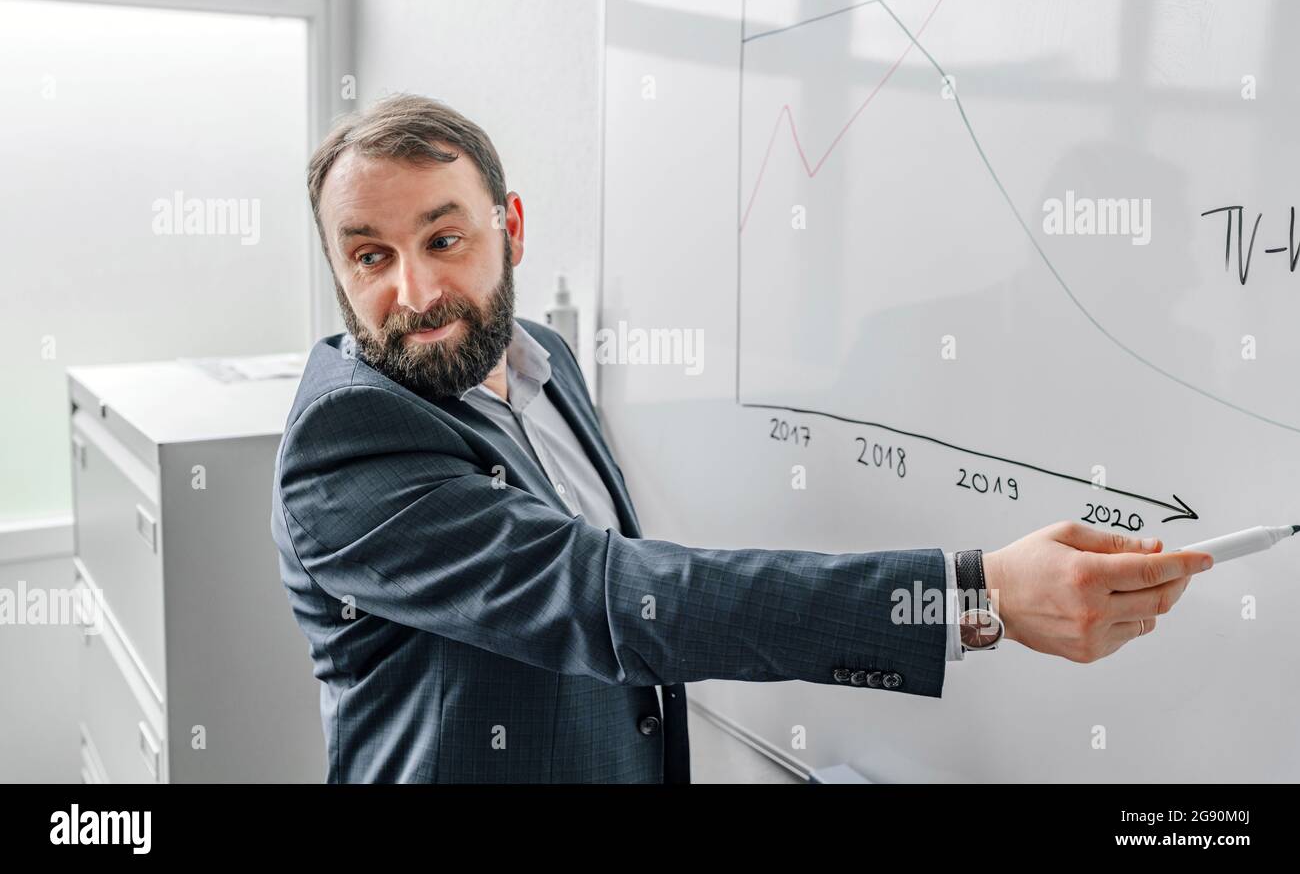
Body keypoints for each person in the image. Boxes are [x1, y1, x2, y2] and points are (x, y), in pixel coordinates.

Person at [271, 93, 1213, 783]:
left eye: (444, 240)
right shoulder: (346, 444)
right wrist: (975, 594)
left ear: (509, 228)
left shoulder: (543, 357)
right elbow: (612, 597)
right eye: (369, 256)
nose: (415, 291)